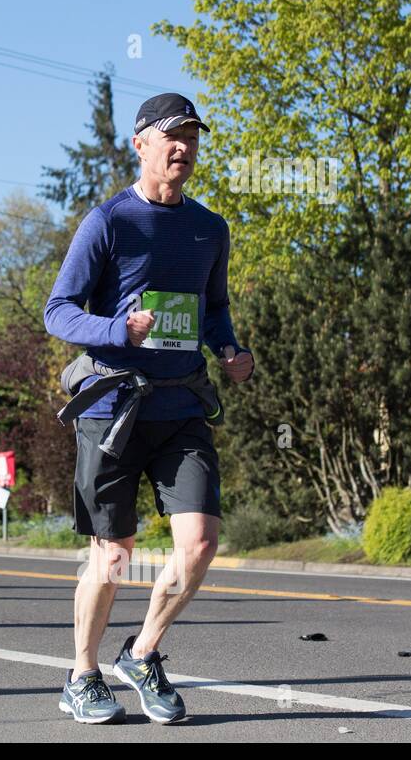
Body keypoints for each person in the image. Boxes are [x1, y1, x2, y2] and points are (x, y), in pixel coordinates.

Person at [45, 93, 255, 725]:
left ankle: (142, 652)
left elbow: (213, 306)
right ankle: (82, 674)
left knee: (200, 542)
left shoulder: (210, 228)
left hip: (181, 404)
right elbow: (58, 311)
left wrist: (230, 349)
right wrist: (118, 330)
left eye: (192, 135)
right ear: (140, 144)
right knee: (114, 554)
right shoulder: (108, 221)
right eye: (171, 135)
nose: (183, 146)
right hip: (111, 408)